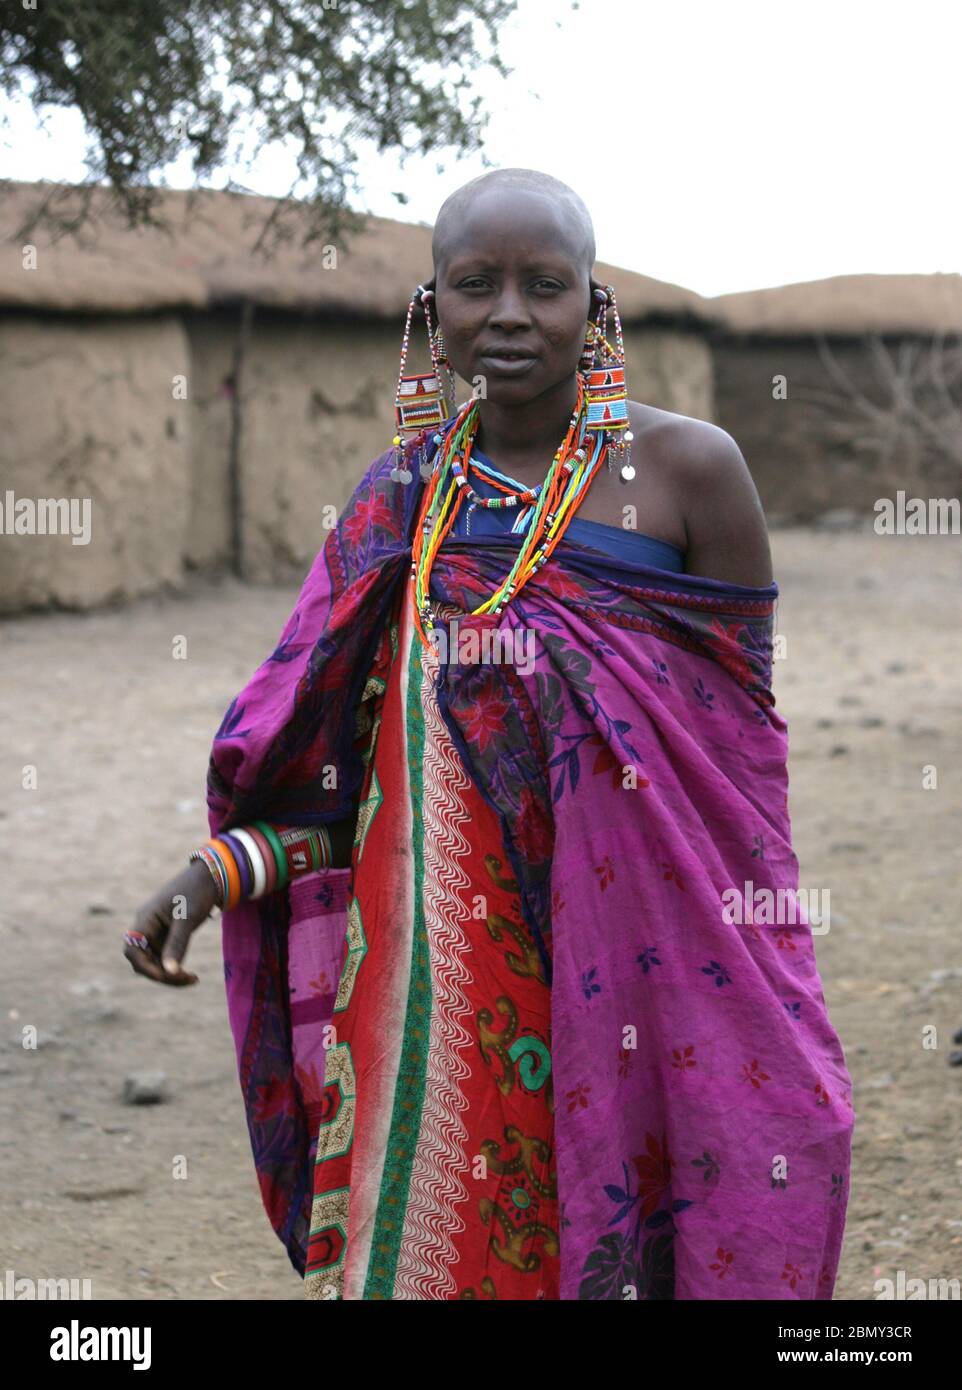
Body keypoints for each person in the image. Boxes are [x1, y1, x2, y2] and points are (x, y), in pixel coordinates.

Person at [126, 167, 854, 1301]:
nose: (508, 313)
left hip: (645, 969)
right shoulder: (400, 504)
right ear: (432, 308)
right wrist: (213, 872)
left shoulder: (687, 474)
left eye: (544, 285)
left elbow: (729, 774)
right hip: (447, 988)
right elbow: (346, 776)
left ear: (592, 305)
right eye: (475, 284)